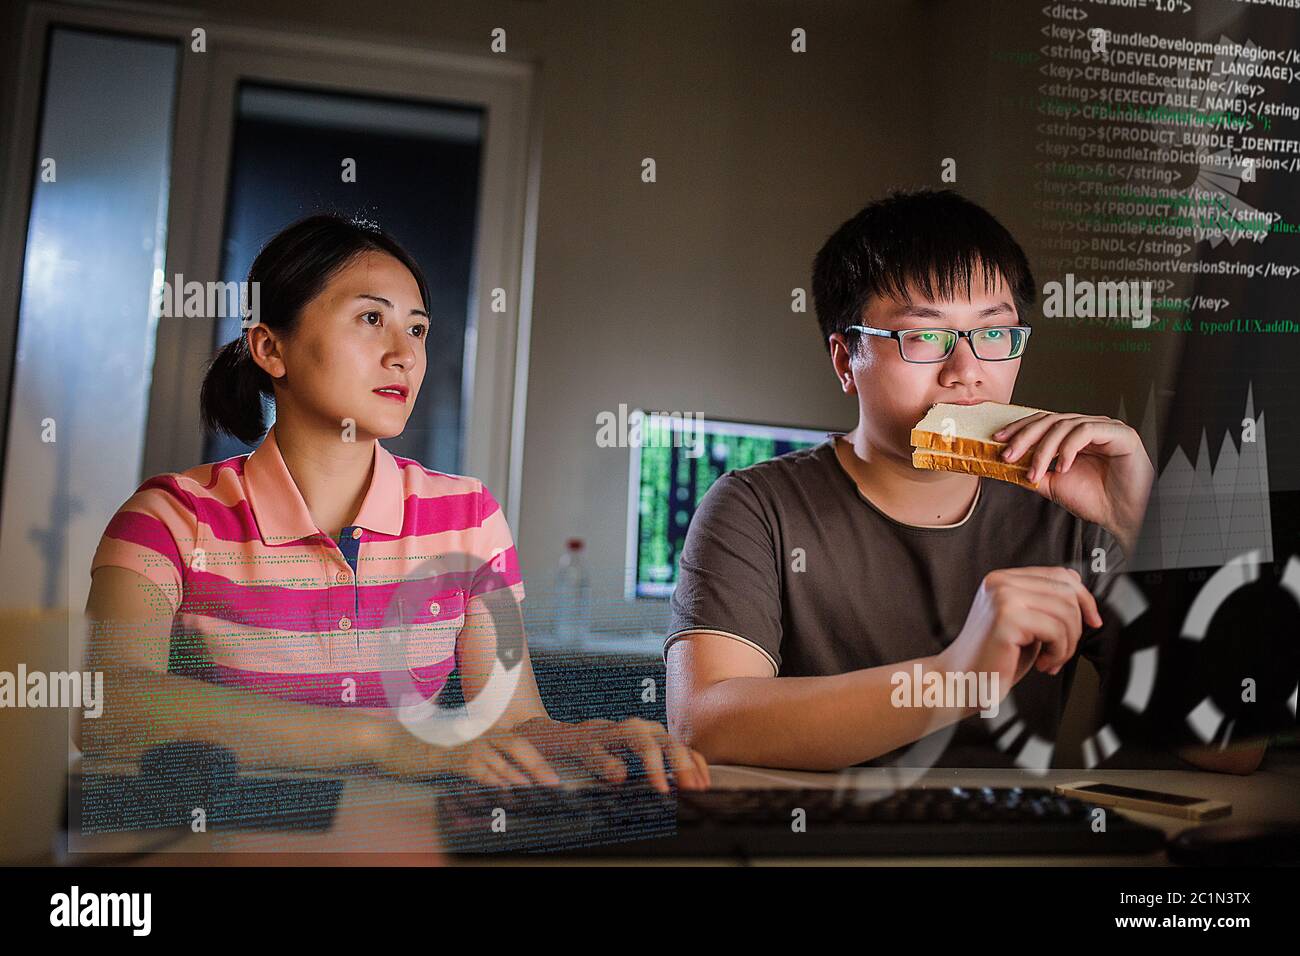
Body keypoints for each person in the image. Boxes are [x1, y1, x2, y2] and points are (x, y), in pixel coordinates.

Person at [82, 213, 709, 792]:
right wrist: (381, 739)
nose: (404, 354)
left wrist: (581, 741)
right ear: (271, 348)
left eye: (417, 329)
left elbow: (510, 719)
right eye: (370, 319)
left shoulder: (470, 517)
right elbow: (105, 702)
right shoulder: (169, 517)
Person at [665, 189, 1265, 774]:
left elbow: (1234, 747)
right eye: (925, 335)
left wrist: (1145, 520)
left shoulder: (1074, 514)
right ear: (847, 361)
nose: (967, 372)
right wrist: (955, 676)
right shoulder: (755, 508)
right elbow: (705, 723)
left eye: (994, 333)